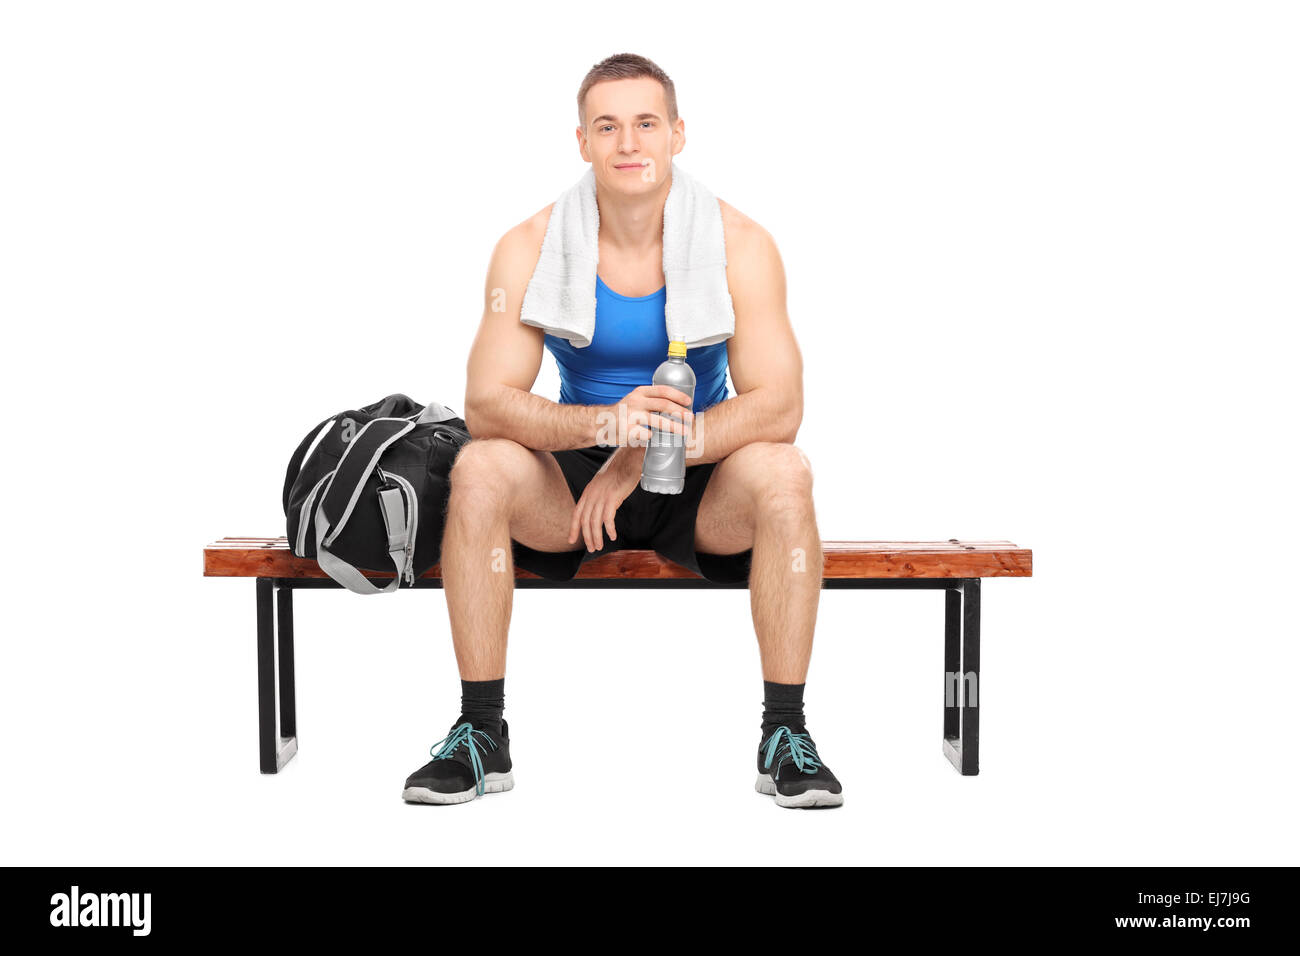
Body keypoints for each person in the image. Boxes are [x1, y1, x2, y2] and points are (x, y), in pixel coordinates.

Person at [402, 53, 841, 809]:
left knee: (785, 471)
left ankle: (784, 733)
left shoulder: (741, 244)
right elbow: (487, 404)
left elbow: (780, 406)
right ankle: (480, 733)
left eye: (645, 123)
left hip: (702, 474)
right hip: (576, 474)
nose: (628, 142)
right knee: (480, 467)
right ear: (582, 142)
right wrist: (607, 429)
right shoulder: (530, 245)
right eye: (608, 126)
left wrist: (642, 455)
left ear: (677, 134)